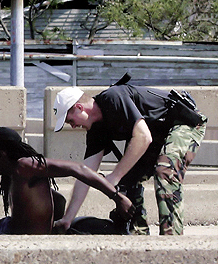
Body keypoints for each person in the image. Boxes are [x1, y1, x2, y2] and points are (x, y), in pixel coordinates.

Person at [52, 80, 207, 235]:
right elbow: (85, 174)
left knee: (165, 171)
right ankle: (137, 238)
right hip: (156, 134)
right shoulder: (96, 129)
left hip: (183, 123)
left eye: (70, 121)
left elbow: (143, 137)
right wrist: (68, 218)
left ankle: (172, 240)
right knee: (128, 182)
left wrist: (115, 175)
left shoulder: (113, 98)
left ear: (80, 108)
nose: (72, 126)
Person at [0, 127, 134, 235]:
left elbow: (78, 169)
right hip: (7, 227)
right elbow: (56, 199)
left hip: (14, 235)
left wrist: (117, 197)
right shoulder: (13, 172)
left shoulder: (25, 166)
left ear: (0, 155)